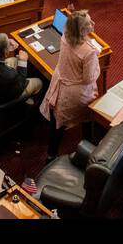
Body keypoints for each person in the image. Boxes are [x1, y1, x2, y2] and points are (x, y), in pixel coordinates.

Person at [40, 10, 101, 157]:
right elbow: (88, 79)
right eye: (89, 23)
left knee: (57, 124)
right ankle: (88, 148)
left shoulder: (66, 36)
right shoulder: (89, 52)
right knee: (89, 114)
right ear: (82, 30)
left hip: (59, 84)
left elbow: (70, 23)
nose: (93, 23)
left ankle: (51, 154)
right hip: (76, 94)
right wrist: (96, 64)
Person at [0, 33, 44, 103]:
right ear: (6, 53)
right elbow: (20, 85)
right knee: (39, 82)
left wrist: (6, 41)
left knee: (15, 60)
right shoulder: (9, 75)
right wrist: (23, 62)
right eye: (8, 47)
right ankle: (30, 104)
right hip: (5, 96)